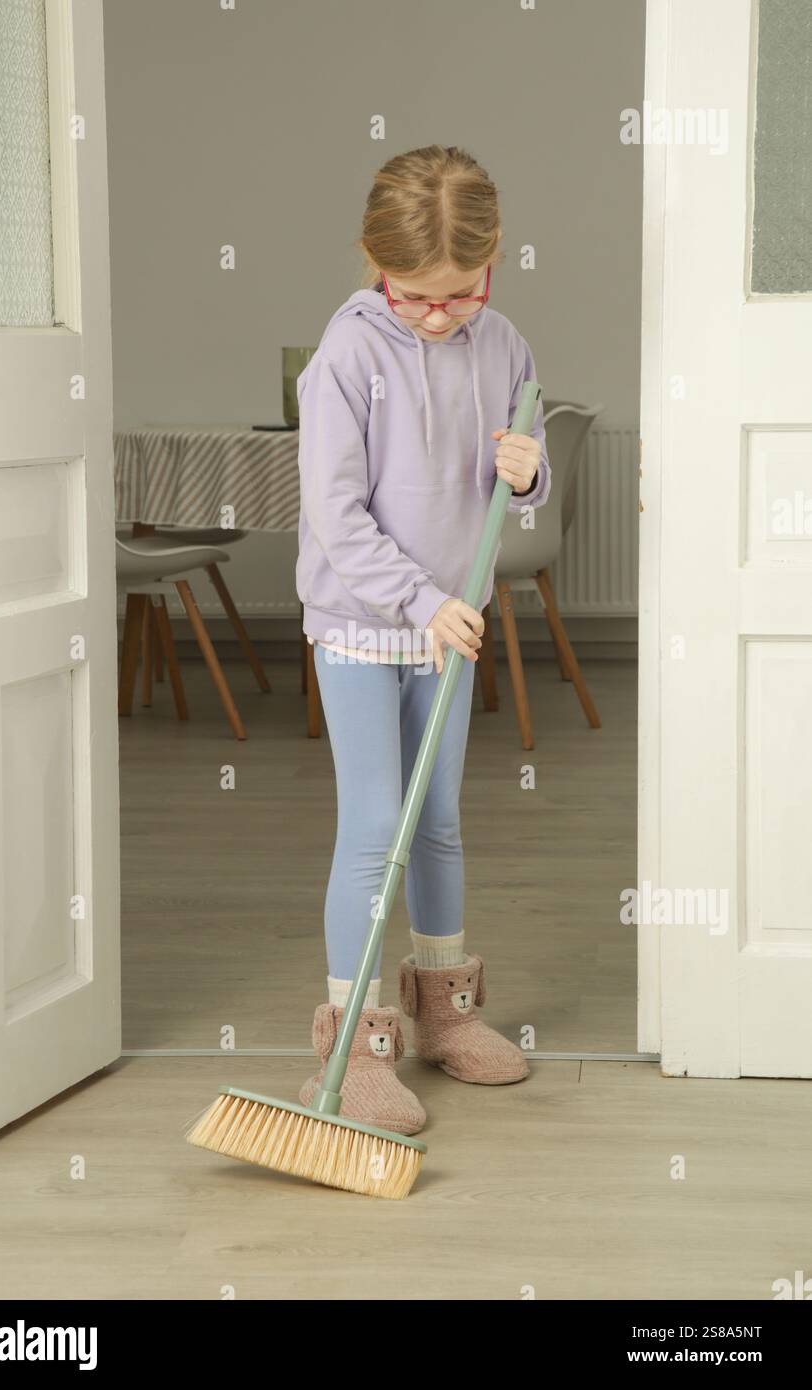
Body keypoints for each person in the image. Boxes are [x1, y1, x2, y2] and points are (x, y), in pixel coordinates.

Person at [295, 145, 551, 1134]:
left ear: (491, 264)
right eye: (416, 297)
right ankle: (357, 1044)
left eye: (460, 293)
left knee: (436, 818)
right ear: (373, 262)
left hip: (451, 623)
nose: (440, 314)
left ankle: (443, 1011)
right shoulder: (347, 355)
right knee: (373, 827)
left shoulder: (504, 344)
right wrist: (414, 600)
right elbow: (334, 515)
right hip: (368, 623)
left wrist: (525, 477)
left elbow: (513, 488)